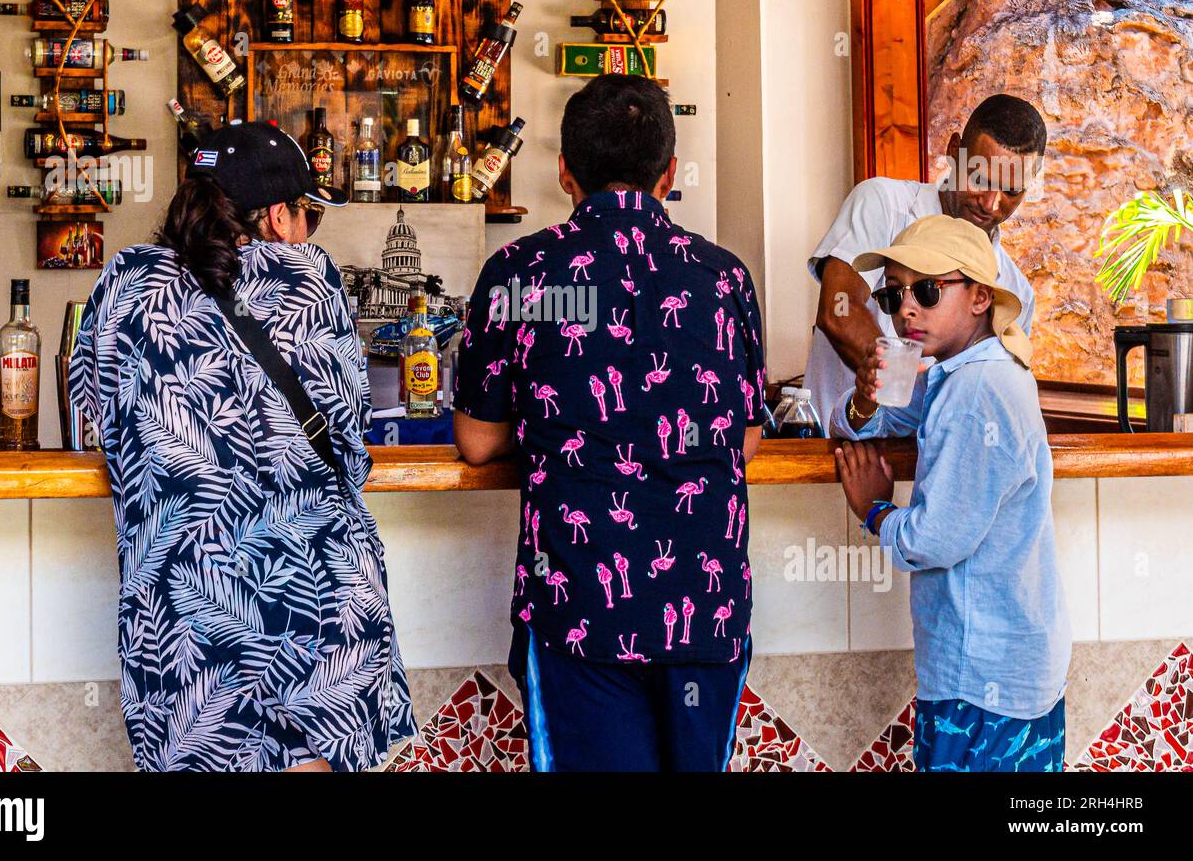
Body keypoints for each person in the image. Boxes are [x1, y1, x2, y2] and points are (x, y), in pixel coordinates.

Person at [70, 122, 414, 772]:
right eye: (309, 213)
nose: (310, 230)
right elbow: (349, 434)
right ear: (280, 215)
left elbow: (95, 409)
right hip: (314, 599)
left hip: (182, 609)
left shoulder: (124, 280)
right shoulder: (311, 279)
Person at [453, 74, 768, 771]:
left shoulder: (520, 273)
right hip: (703, 605)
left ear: (564, 171)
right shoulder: (723, 278)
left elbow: (477, 441)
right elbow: (743, 437)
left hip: (580, 611)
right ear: (671, 175)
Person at [831, 214, 1070, 772]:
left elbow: (934, 540)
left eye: (927, 290)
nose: (906, 309)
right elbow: (864, 425)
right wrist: (865, 399)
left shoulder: (979, 390)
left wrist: (875, 509)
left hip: (981, 678)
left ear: (981, 297)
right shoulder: (953, 375)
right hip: (1005, 670)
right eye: (893, 297)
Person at [805, 94, 1045, 426]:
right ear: (954, 150)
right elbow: (838, 309)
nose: (991, 204)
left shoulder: (1016, 291)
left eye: (1012, 192)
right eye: (980, 179)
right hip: (832, 457)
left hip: (933, 462)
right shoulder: (884, 204)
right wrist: (890, 383)